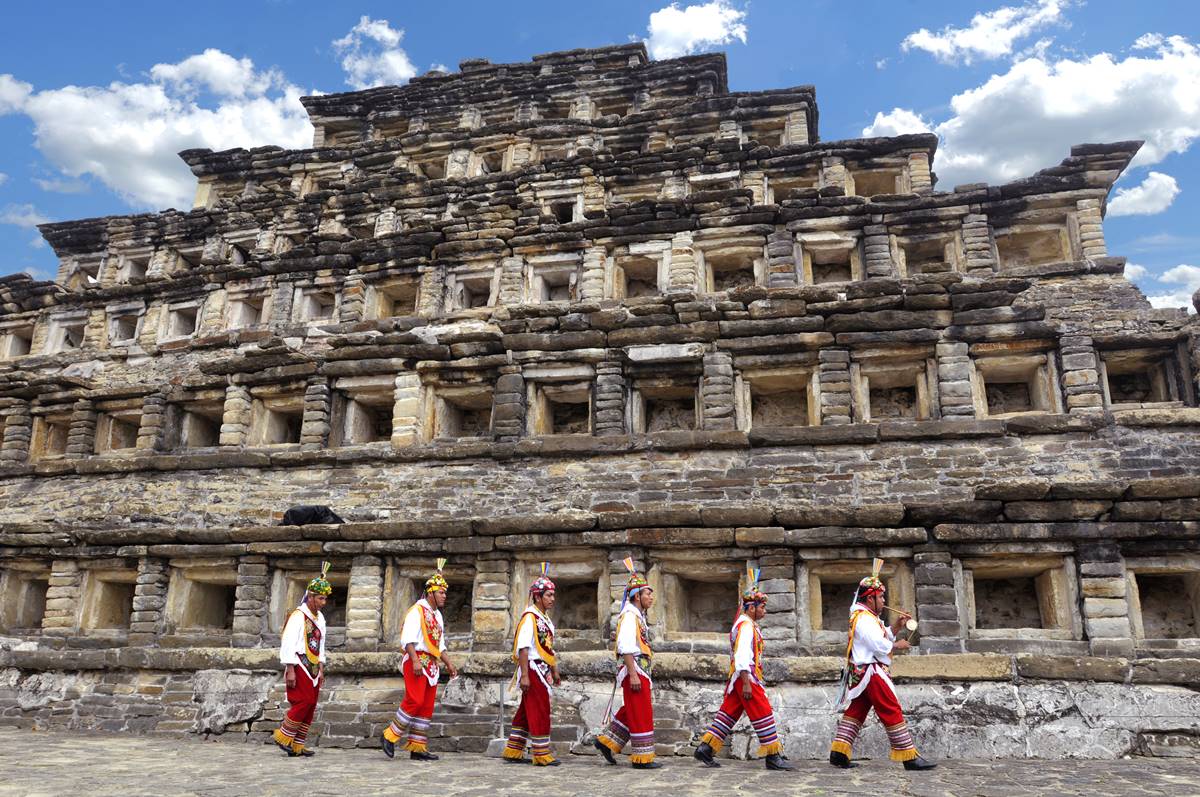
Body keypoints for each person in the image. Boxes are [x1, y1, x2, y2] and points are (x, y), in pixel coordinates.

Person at [829, 559, 936, 771]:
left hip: (864, 671)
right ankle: (909, 756)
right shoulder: (863, 618)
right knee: (890, 708)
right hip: (872, 671)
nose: (884, 600)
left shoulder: (867, 616)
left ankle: (839, 753)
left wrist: (895, 626)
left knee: (857, 710)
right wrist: (897, 645)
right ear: (870, 598)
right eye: (881, 597)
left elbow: (881, 635)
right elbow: (877, 644)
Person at [694, 566, 792, 771]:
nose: (765, 611)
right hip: (746, 676)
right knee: (763, 711)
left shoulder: (745, 624)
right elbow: (741, 656)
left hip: (741, 676)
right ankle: (772, 756)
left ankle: (706, 748)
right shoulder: (746, 626)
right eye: (762, 607)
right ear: (751, 608)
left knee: (729, 713)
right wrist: (747, 682)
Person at [381, 558, 460, 761]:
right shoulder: (417, 611)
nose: (444, 596)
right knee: (414, 700)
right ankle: (389, 735)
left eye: (445, 593)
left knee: (426, 705)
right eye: (441, 592)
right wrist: (415, 660)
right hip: (416, 660)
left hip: (431, 664)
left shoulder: (437, 616)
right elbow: (408, 638)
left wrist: (449, 663)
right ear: (430, 592)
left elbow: (439, 644)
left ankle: (418, 747)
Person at [594, 558, 660, 769]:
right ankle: (642, 757)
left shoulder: (637, 616)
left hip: (640, 669)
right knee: (640, 711)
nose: (651, 597)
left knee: (633, 708)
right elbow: (625, 646)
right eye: (648, 593)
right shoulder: (630, 616)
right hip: (635, 669)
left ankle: (607, 742)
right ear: (637, 596)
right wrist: (632, 674)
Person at [502, 563, 562, 766]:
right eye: (549, 595)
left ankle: (513, 750)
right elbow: (523, 648)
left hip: (543, 669)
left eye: (553, 595)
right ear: (537, 597)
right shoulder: (530, 618)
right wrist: (525, 676)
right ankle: (541, 753)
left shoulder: (545, 619)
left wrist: (554, 669)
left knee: (526, 711)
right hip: (533, 669)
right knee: (540, 709)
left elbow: (549, 648)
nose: (552, 599)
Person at [273, 562, 331, 757]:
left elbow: (320, 644)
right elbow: (288, 641)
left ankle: (297, 744)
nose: (323, 602)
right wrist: (290, 668)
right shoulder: (298, 616)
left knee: (311, 704)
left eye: (325, 598)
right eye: (320, 598)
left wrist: (321, 667)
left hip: (313, 667)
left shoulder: (320, 618)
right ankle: (284, 736)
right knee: (302, 702)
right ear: (311, 596)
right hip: (299, 664)